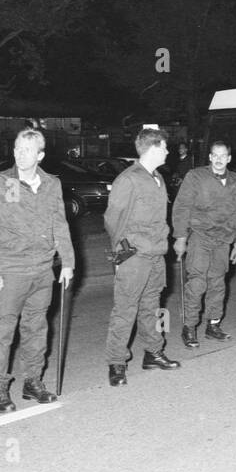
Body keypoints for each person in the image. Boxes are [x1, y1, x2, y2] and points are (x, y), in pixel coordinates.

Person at [0, 128, 75, 413]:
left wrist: (67, 262)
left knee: (36, 329)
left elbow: (60, 224)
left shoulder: (51, 184)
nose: (20, 154)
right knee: (2, 331)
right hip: (9, 271)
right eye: (17, 148)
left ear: (40, 155)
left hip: (43, 270)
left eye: (27, 150)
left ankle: (32, 381)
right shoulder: (2, 183)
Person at [103, 126, 180, 386]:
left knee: (153, 307)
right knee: (125, 309)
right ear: (153, 148)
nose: (168, 151)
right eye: (165, 147)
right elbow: (113, 221)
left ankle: (153, 352)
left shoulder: (157, 178)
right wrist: (121, 256)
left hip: (157, 254)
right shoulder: (129, 179)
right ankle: (116, 362)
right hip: (134, 256)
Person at [172, 141, 236, 347]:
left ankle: (213, 325)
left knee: (217, 282)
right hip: (200, 236)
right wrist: (180, 237)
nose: (220, 159)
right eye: (216, 155)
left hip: (223, 239)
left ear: (229, 158)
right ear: (210, 158)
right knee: (197, 283)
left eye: (224, 156)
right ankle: (189, 327)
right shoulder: (195, 177)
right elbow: (182, 207)